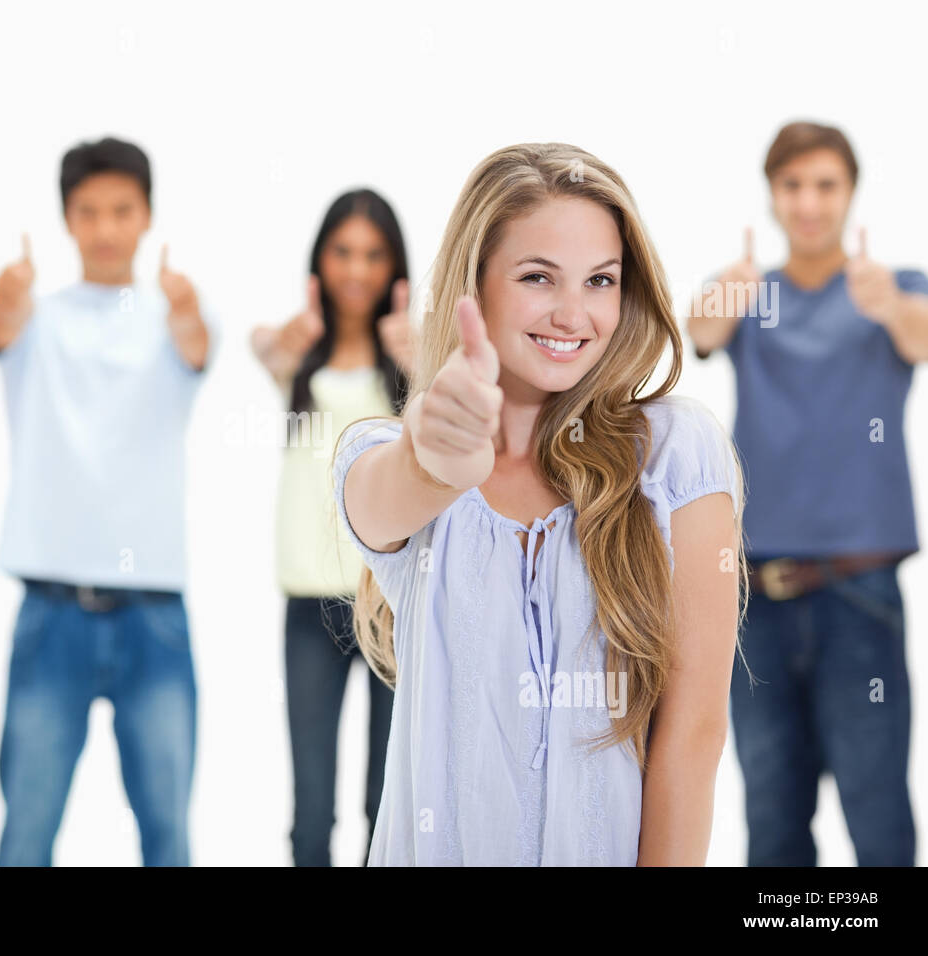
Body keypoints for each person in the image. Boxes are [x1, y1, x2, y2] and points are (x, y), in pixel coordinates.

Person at [333, 143, 747, 865]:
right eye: (537, 277)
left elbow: (694, 733)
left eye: (600, 280)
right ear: (476, 288)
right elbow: (385, 497)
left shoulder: (677, 455)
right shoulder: (382, 453)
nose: (573, 313)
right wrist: (435, 463)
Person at [688, 121, 928, 866]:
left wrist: (887, 305)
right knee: (771, 817)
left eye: (825, 185)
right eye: (792, 186)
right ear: (773, 197)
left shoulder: (894, 288)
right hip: (755, 600)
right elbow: (697, 332)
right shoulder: (751, 297)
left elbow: (921, 337)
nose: (809, 202)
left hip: (857, 593)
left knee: (878, 810)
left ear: (849, 193)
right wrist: (724, 296)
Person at [0, 136, 218, 866]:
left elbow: (196, 345)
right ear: (66, 218)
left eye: (122, 209)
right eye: (89, 211)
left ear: (148, 214)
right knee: (26, 830)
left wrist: (184, 307)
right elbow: (0, 332)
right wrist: (6, 297)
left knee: (168, 836)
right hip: (50, 608)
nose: (107, 227)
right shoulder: (35, 316)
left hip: (153, 612)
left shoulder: (172, 312)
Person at [251, 189, 413, 866]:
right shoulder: (297, 357)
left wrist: (419, 360)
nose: (357, 270)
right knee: (311, 810)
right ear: (321, 259)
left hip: (392, 605)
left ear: (393, 267)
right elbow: (263, 347)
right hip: (310, 607)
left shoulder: (411, 357)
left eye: (373, 255)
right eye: (343, 252)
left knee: (389, 805)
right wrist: (284, 344)